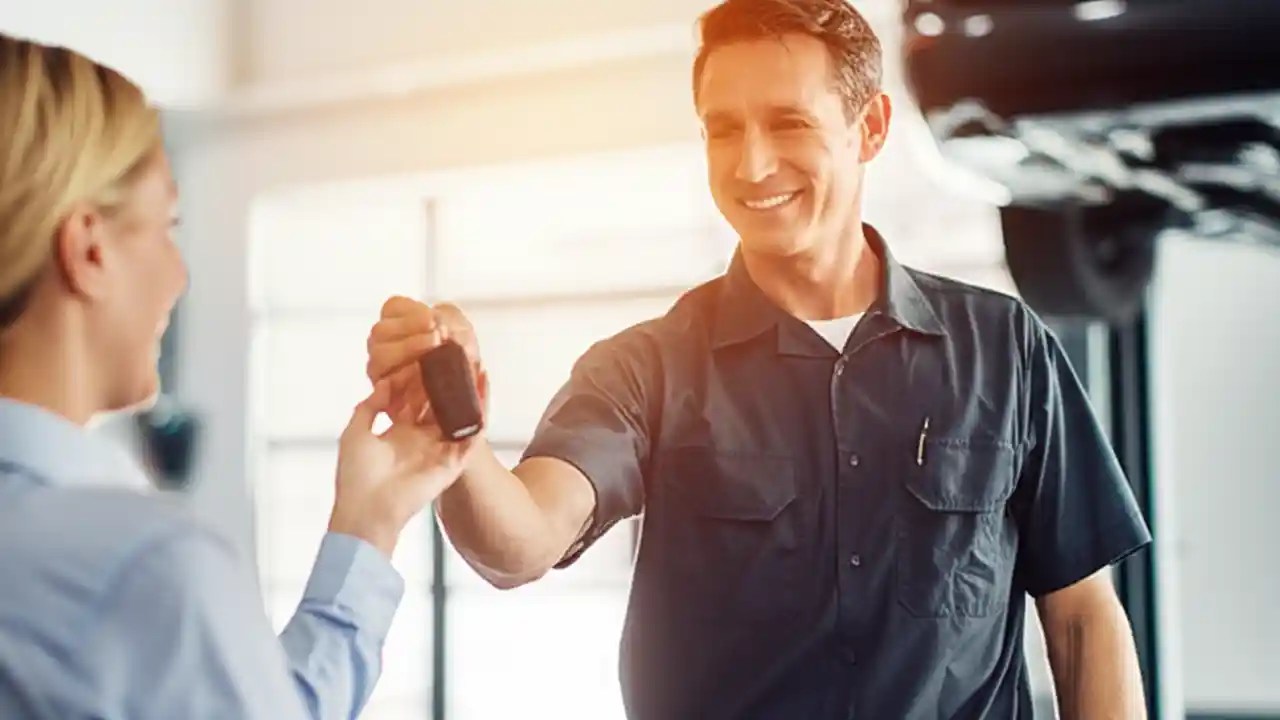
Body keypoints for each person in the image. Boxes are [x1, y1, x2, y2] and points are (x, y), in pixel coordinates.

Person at [367, 1, 1153, 718]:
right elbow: (522, 543)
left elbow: (1083, 620)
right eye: (722, 129)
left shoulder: (1005, 351)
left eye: (788, 124)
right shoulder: (647, 369)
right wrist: (455, 451)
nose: (749, 166)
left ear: (870, 127)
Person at [0, 33, 479, 719]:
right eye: (167, 226)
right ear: (88, 250)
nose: (179, 273)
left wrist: (368, 521)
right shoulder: (144, 569)